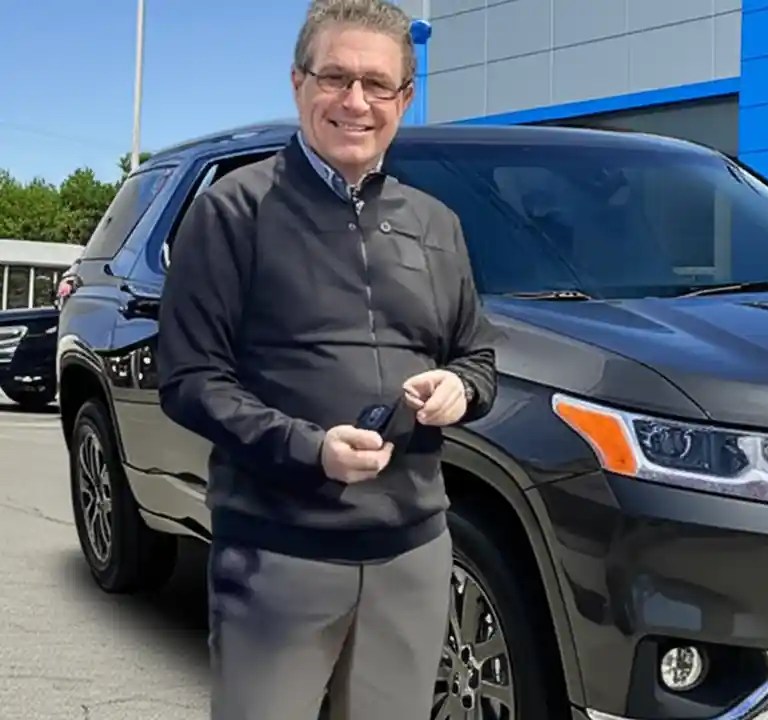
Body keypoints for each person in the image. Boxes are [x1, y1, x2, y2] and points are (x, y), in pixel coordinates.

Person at [155, 0, 499, 717]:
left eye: (378, 85)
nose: (355, 101)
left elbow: (477, 355)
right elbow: (189, 381)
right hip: (278, 555)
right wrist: (309, 450)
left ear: (404, 99)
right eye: (335, 77)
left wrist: (460, 388)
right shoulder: (233, 213)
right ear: (297, 84)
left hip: (414, 554)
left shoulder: (437, 225)